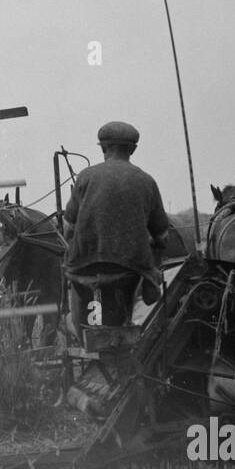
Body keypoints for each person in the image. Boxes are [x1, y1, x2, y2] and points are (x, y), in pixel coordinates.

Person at [63, 121, 171, 329]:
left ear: (103, 147)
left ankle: (87, 329)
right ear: (133, 149)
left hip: (84, 267)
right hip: (129, 268)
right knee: (132, 290)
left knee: (84, 302)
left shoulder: (85, 177)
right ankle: (122, 328)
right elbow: (163, 236)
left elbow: (68, 226)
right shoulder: (146, 181)